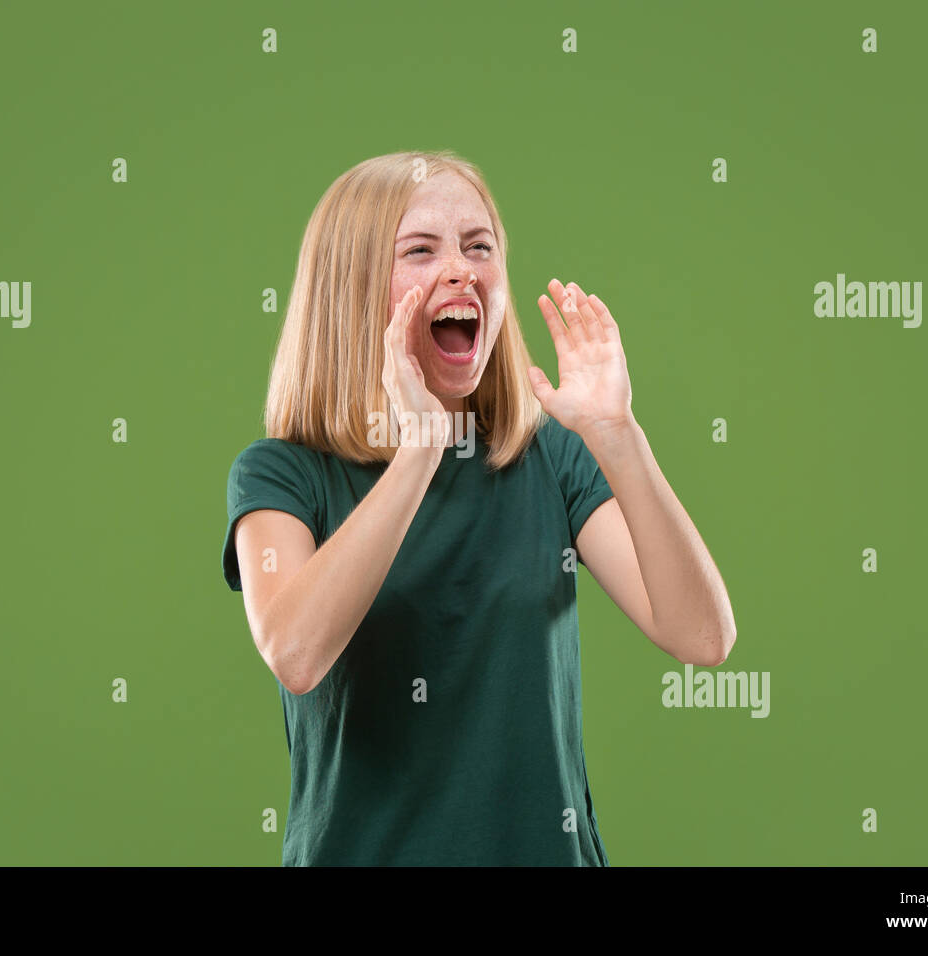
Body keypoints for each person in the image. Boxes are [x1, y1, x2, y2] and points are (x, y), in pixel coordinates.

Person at [221, 150, 737, 865]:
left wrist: (618, 438)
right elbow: (297, 653)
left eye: (479, 246)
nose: (461, 269)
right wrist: (421, 447)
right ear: (352, 289)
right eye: (420, 250)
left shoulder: (551, 460)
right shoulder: (281, 477)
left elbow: (702, 638)